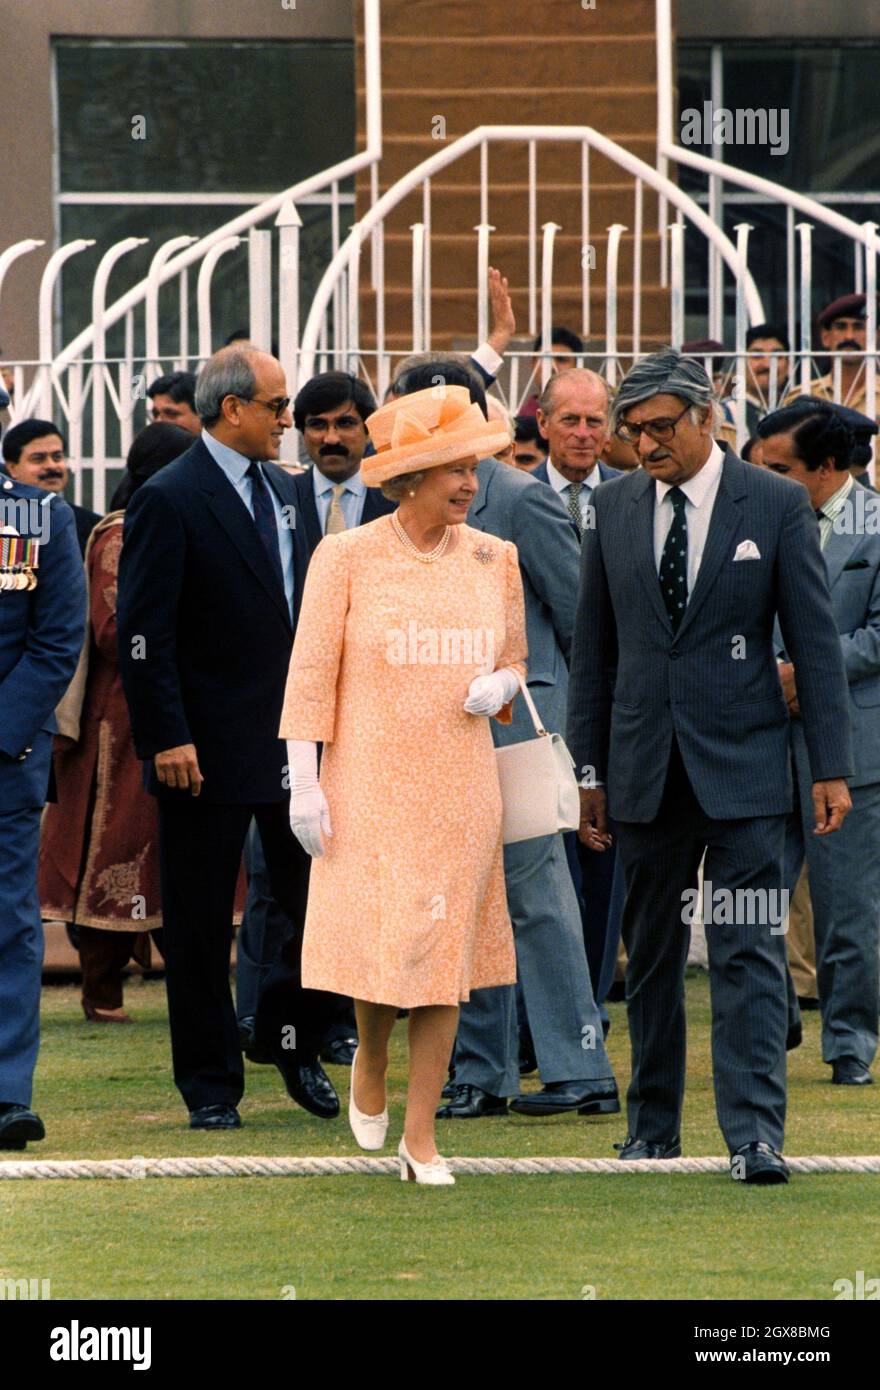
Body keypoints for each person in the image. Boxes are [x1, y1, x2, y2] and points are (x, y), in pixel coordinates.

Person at [569, 347, 853, 1184]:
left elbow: (814, 645)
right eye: (634, 431)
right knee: (649, 959)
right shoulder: (614, 509)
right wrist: (588, 773)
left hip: (749, 778)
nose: (646, 445)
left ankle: (756, 1135)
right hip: (641, 777)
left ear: (706, 418)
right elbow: (595, 656)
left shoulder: (772, 504)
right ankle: (651, 1129)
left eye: (660, 428)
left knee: (747, 949)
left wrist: (830, 766)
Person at [281, 383, 527, 1184]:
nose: (469, 484)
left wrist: (503, 686)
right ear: (411, 478)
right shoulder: (346, 556)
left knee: (442, 954)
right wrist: (303, 784)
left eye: (474, 469)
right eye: (453, 470)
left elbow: (516, 657)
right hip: (369, 782)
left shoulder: (497, 558)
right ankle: (372, 1055)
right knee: (386, 945)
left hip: (460, 784)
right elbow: (310, 675)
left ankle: (421, 1135)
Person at [117, 345, 345, 1130]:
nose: (292, 421)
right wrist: (166, 737)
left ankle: (291, 1040)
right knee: (201, 918)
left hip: (293, 742)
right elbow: (144, 632)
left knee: (308, 902)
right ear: (233, 410)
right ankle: (210, 1084)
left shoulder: (289, 494)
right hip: (202, 752)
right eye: (279, 406)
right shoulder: (170, 497)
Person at [394, 363, 618, 1122]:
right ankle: (480, 1073)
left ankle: (580, 1066)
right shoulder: (396, 499)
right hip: (432, 731)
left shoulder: (521, 500)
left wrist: (566, 728)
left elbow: (585, 621)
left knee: (538, 899)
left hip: (520, 724)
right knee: (461, 900)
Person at [235, 370, 395, 1068]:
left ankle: (341, 1021)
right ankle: (270, 1021)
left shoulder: (396, 504)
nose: (331, 437)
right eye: (317, 425)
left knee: (356, 876)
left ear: (367, 428)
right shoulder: (279, 496)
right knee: (276, 877)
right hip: (288, 714)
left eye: (345, 423)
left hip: (376, 722)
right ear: (300, 431)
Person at [38, 424, 192, 1023]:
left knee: (178, 855)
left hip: (175, 713)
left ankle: (193, 995)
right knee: (115, 847)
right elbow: (113, 631)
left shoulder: (174, 524)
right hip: (119, 726)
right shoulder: (119, 536)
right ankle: (102, 991)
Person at [759, 399, 880, 1085]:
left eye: (781, 469)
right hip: (762, 744)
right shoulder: (763, 518)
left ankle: (849, 1044)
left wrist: (809, 667)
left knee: (846, 913)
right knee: (745, 900)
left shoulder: (877, 524)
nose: (766, 478)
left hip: (851, 746)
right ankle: (773, 1017)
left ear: (828, 468)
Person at [533, 368, 625, 1022]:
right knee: (536, 878)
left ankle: (586, 1018)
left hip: (620, 723)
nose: (585, 434)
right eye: (572, 420)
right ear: (542, 423)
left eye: (597, 421)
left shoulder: (636, 496)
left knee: (602, 878)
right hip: (531, 725)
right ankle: (536, 1025)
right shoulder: (502, 496)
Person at [0, 457, 85, 1149]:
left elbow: (56, 639)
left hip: (4, 755)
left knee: (6, 925)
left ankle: (4, 1095)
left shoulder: (34, 515)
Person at [2, 419, 100, 556]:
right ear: (12, 468)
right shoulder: (6, 523)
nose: (52, 466)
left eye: (57, 457)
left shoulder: (93, 528)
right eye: (38, 458)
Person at [784, 293, 878, 416]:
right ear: (825, 337)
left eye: (858, 327)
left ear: (875, 337)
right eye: (841, 327)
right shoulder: (803, 396)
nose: (849, 336)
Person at [517, 326, 584, 417]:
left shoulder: (588, 416)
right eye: (544, 359)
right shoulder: (519, 419)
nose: (551, 366)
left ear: (578, 365)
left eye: (561, 359)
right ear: (533, 363)